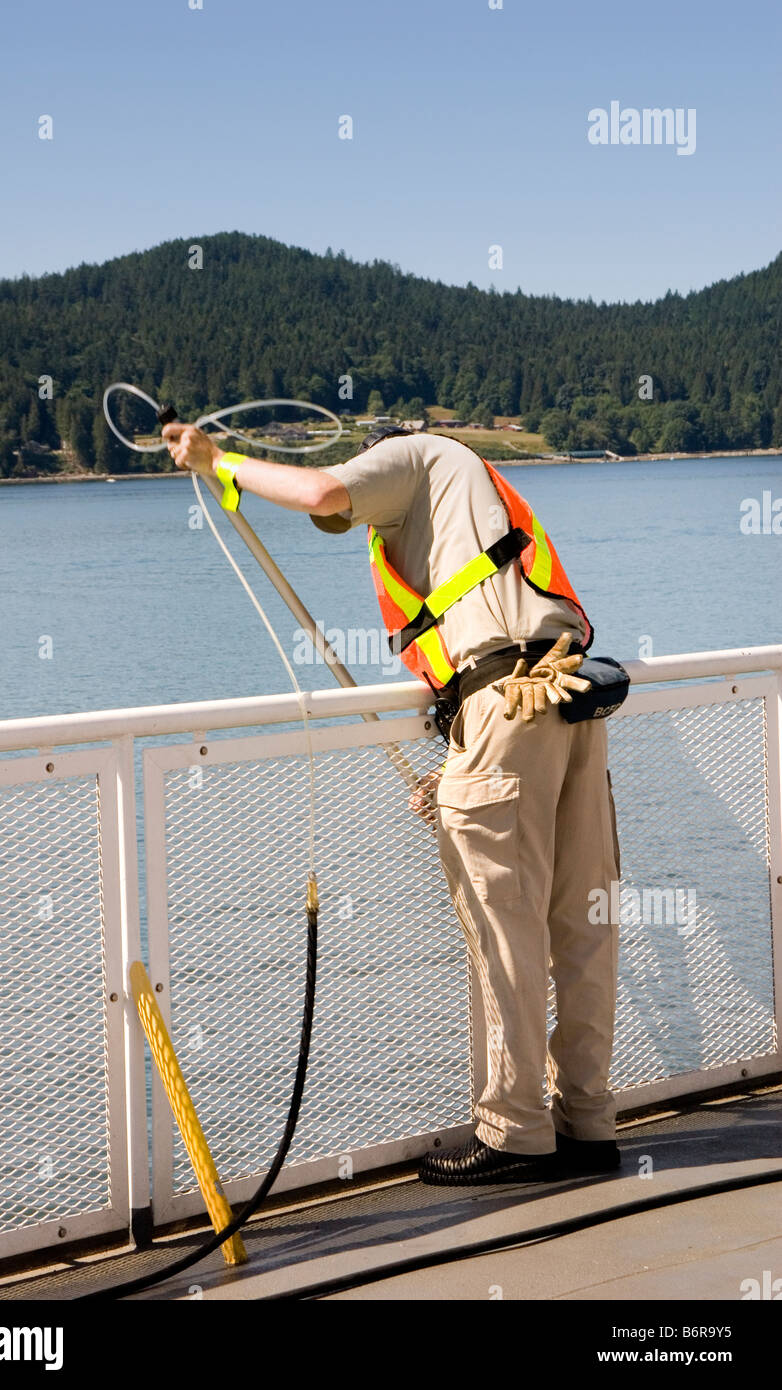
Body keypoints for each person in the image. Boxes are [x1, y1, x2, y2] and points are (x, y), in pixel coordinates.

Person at [163, 418, 622, 1185]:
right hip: (567, 697)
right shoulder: (468, 497)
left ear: (385, 455)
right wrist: (455, 772)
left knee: (503, 930)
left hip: (510, 705)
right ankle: (590, 1124)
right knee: (582, 922)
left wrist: (219, 461)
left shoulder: (412, 457)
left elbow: (321, 489)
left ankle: (516, 1132)